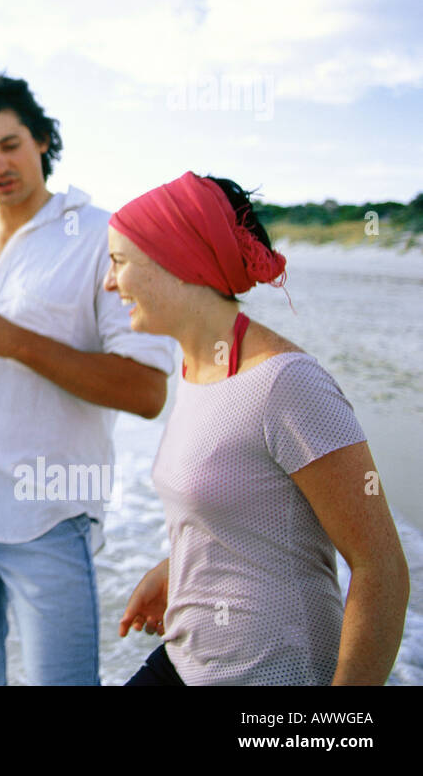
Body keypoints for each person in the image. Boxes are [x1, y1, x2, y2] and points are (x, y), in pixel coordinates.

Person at [0, 73, 176, 685]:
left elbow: (147, 392)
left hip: (46, 503)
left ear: (43, 139)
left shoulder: (104, 235)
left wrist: (14, 339)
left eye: (10, 144)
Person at [108, 172, 408, 685]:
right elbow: (245, 508)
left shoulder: (286, 383)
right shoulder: (196, 367)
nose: (109, 282)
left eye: (119, 262)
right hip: (184, 661)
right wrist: (178, 571)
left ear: (177, 261)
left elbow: (382, 570)